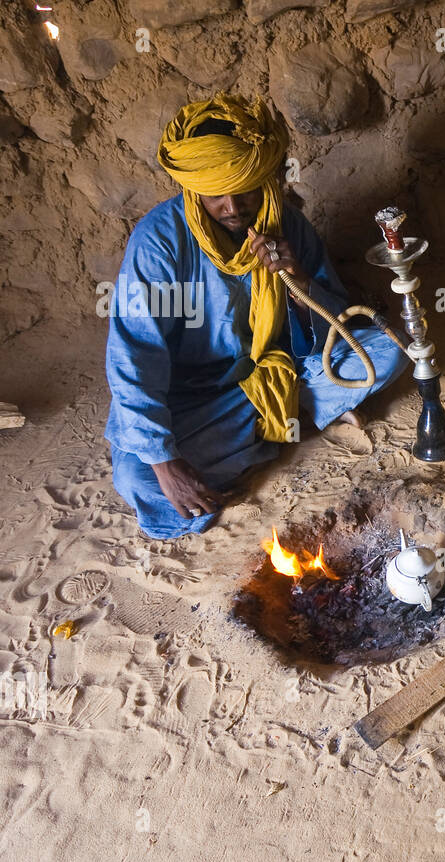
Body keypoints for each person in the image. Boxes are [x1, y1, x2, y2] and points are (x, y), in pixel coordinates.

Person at [104, 94, 407, 539]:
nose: (232, 206)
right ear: (193, 189)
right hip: (196, 397)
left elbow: (334, 327)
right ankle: (289, 422)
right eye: (216, 194)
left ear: (265, 178)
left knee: (387, 351)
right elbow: (135, 353)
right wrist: (165, 463)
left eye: (245, 188)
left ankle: (275, 424)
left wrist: (298, 280)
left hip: (279, 371)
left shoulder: (284, 223)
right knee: (140, 479)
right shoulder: (161, 242)